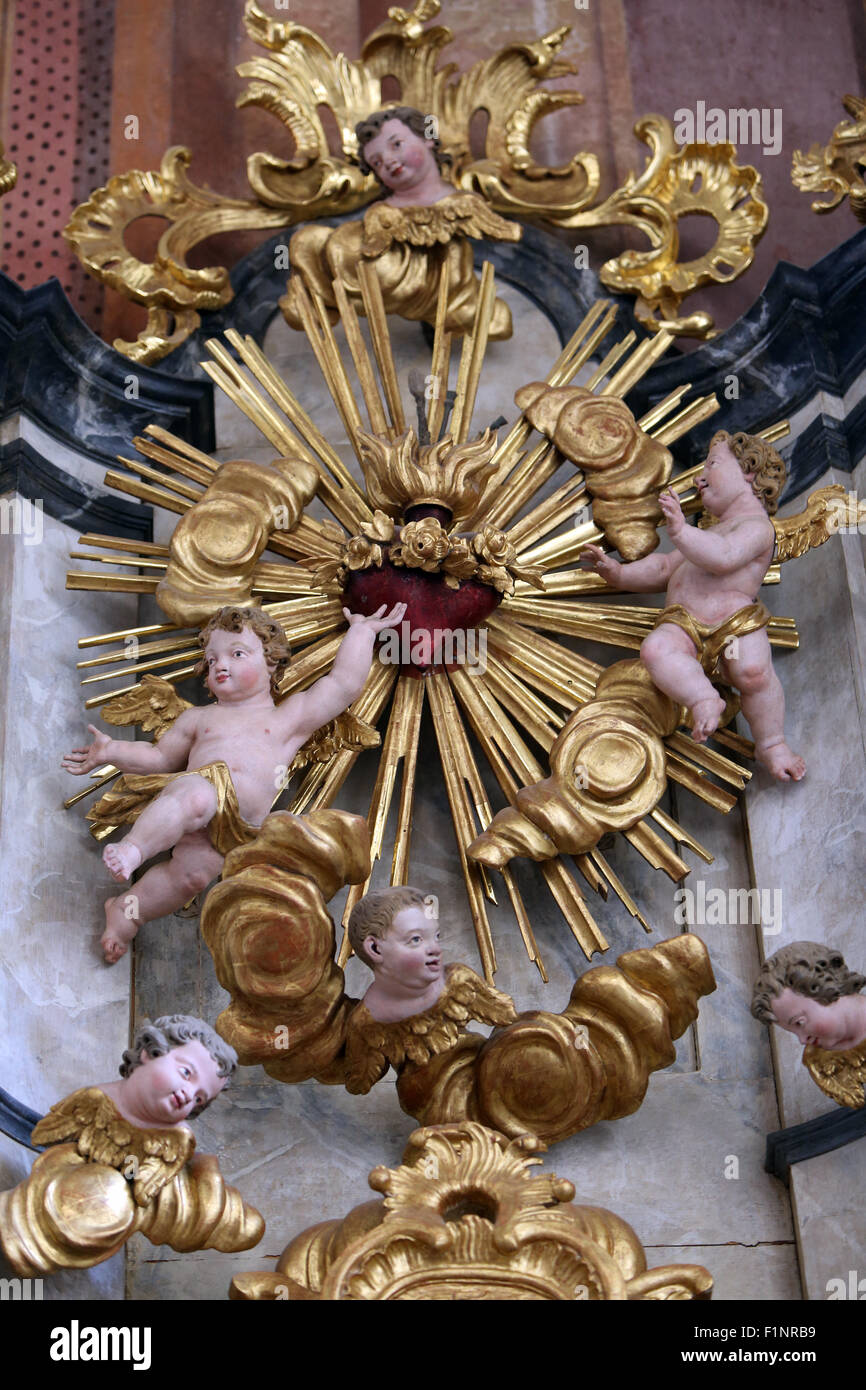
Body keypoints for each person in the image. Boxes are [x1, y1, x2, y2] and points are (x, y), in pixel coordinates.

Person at [63, 601, 405, 963]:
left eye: (236, 653)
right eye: (211, 660)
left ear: (270, 662)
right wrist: (111, 750)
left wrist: (362, 632)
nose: (220, 664)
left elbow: (342, 685)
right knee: (197, 795)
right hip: (192, 801)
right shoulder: (199, 719)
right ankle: (134, 849)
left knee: (192, 878)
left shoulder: (288, 718)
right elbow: (160, 759)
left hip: (235, 831)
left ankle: (126, 913)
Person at [582, 429, 805, 780]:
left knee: (754, 673)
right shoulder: (705, 534)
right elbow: (662, 567)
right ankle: (703, 699)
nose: (699, 480)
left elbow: (725, 557)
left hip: (734, 623)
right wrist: (618, 575)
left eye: (711, 465)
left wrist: (683, 532)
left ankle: (772, 744)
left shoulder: (758, 528)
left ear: (749, 471)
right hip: (683, 623)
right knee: (655, 650)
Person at [347, 885, 444, 1022]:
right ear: (375, 948)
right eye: (416, 939)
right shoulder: (366, 1024)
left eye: (437, 936)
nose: (436, 949)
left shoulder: (457, 983)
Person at [751, 941, 866, 1051]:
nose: (802, 1040)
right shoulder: (818, 1059)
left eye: (800, 1023)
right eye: (794, 1032)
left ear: (827, 988)